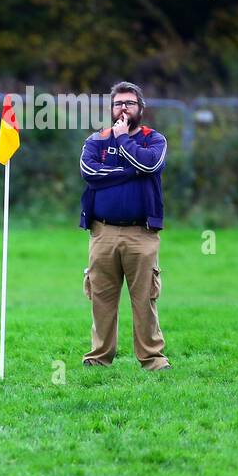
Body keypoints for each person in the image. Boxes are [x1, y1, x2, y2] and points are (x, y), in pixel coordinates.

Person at [78, 81, 170, 371]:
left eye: (130, 103)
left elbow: (149, 166)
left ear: (140, 108)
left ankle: (153, 360)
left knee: (144, 299)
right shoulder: (96, 140)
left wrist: (122, 142)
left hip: (141, 233)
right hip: (102, 232)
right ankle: (98, 358)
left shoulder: (154, 140)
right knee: (101, 298)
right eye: (118, 103)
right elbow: (90, 172)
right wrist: (130, 170)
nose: (123, 108)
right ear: (111, 108)